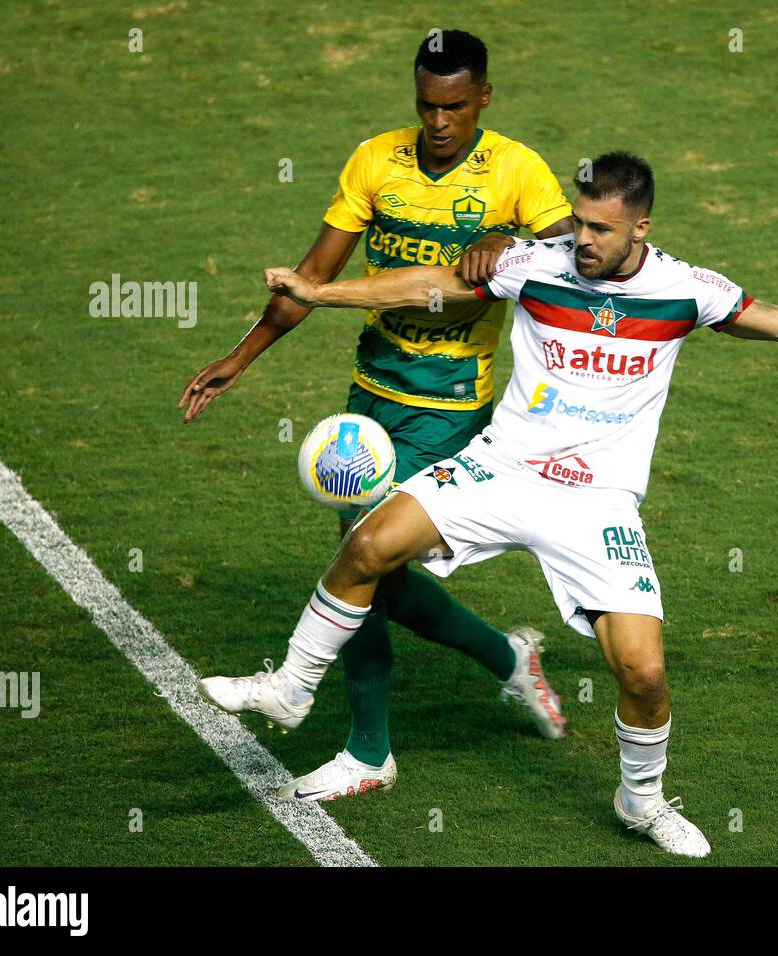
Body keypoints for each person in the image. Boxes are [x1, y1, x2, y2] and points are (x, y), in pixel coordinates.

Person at [202, 152, 778, 856]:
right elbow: (432, 285)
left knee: (642, 671)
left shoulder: (685, 290)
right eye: (578, 219)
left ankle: (641, 802)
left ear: (642, 226)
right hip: (501, 470)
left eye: (601, 228)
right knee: (366, 543)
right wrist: (323, 291)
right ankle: (291, 688)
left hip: (596, 503)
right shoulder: (536, 262)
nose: (583, 237)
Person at [181, 30, 573, 803]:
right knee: (371, 579)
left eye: (455, 106)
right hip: (370, 399)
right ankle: (505, 660)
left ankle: (366, 751)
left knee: (361, 561)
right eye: (427, 105)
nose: (438, 121)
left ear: (483, 99)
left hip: (452, 404)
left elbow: (576, 259)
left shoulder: (519, 171)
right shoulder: (376, 160)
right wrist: (243, 352)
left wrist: (513, 237)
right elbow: (314, 277)